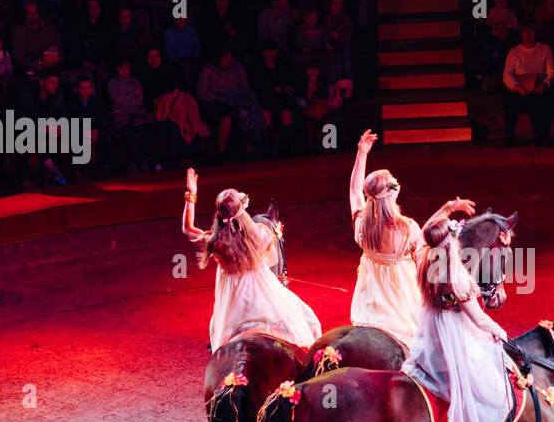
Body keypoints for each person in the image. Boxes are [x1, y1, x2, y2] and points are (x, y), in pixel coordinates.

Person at [402, 218, 510, 422]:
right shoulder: (457, 278)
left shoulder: (423, 262)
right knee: (494, 394)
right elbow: (480, 320)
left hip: (431, 337)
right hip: (454, 338)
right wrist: (500, 332)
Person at [347, 130, 474, 348]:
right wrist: (448, 209)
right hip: (402, 305)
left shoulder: (362, 226)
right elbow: (429, 235)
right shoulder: (406, 228)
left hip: (368, 305)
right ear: (392, 193)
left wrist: (362, 153)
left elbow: (354, 191)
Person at [181, 168, 322, 351]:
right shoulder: (261, 235)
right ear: (243, 211)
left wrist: (191, 195)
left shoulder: (216, 242)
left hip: (232, 303)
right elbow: (272, 236)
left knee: (218, 330)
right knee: (308, 322)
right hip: (264, 293)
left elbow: (187, 228)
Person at [501, 23, 554, 146]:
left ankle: (540, 136)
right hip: (519, 90)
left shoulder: (545, 49)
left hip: (538, 89)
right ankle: (509, 136)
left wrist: (545, 84)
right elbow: (507, 74)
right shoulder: (514, 52)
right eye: (525, 32)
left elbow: (551, 72)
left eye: (531, 31)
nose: (528, 35)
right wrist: (517, 87)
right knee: (510, 101)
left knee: (538, 101)